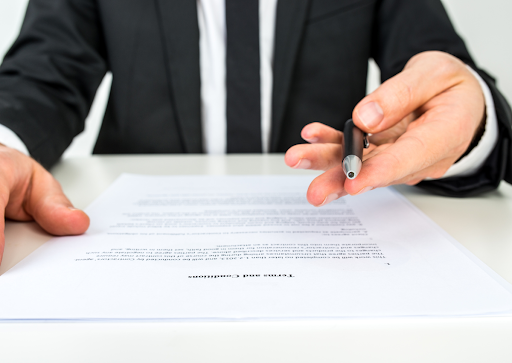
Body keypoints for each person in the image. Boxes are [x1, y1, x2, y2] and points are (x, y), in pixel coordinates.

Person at [0, 0, 510, 263]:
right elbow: (45, 73)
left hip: (333, 239)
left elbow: (436, 80)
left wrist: (467, 120)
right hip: (127, 237)